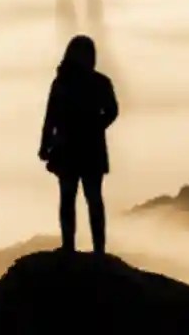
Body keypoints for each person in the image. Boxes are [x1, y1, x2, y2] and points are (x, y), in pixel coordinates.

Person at [38, 35, 119, 254]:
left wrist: (46, 144)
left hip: (73, 148)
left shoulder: (66, 83)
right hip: (79, 148)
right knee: (80, 198)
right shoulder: (94, 82)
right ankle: (81, 248)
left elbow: (51, 117)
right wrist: (96, 125)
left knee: (82, 198)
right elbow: (51, 116)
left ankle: (85, 248)